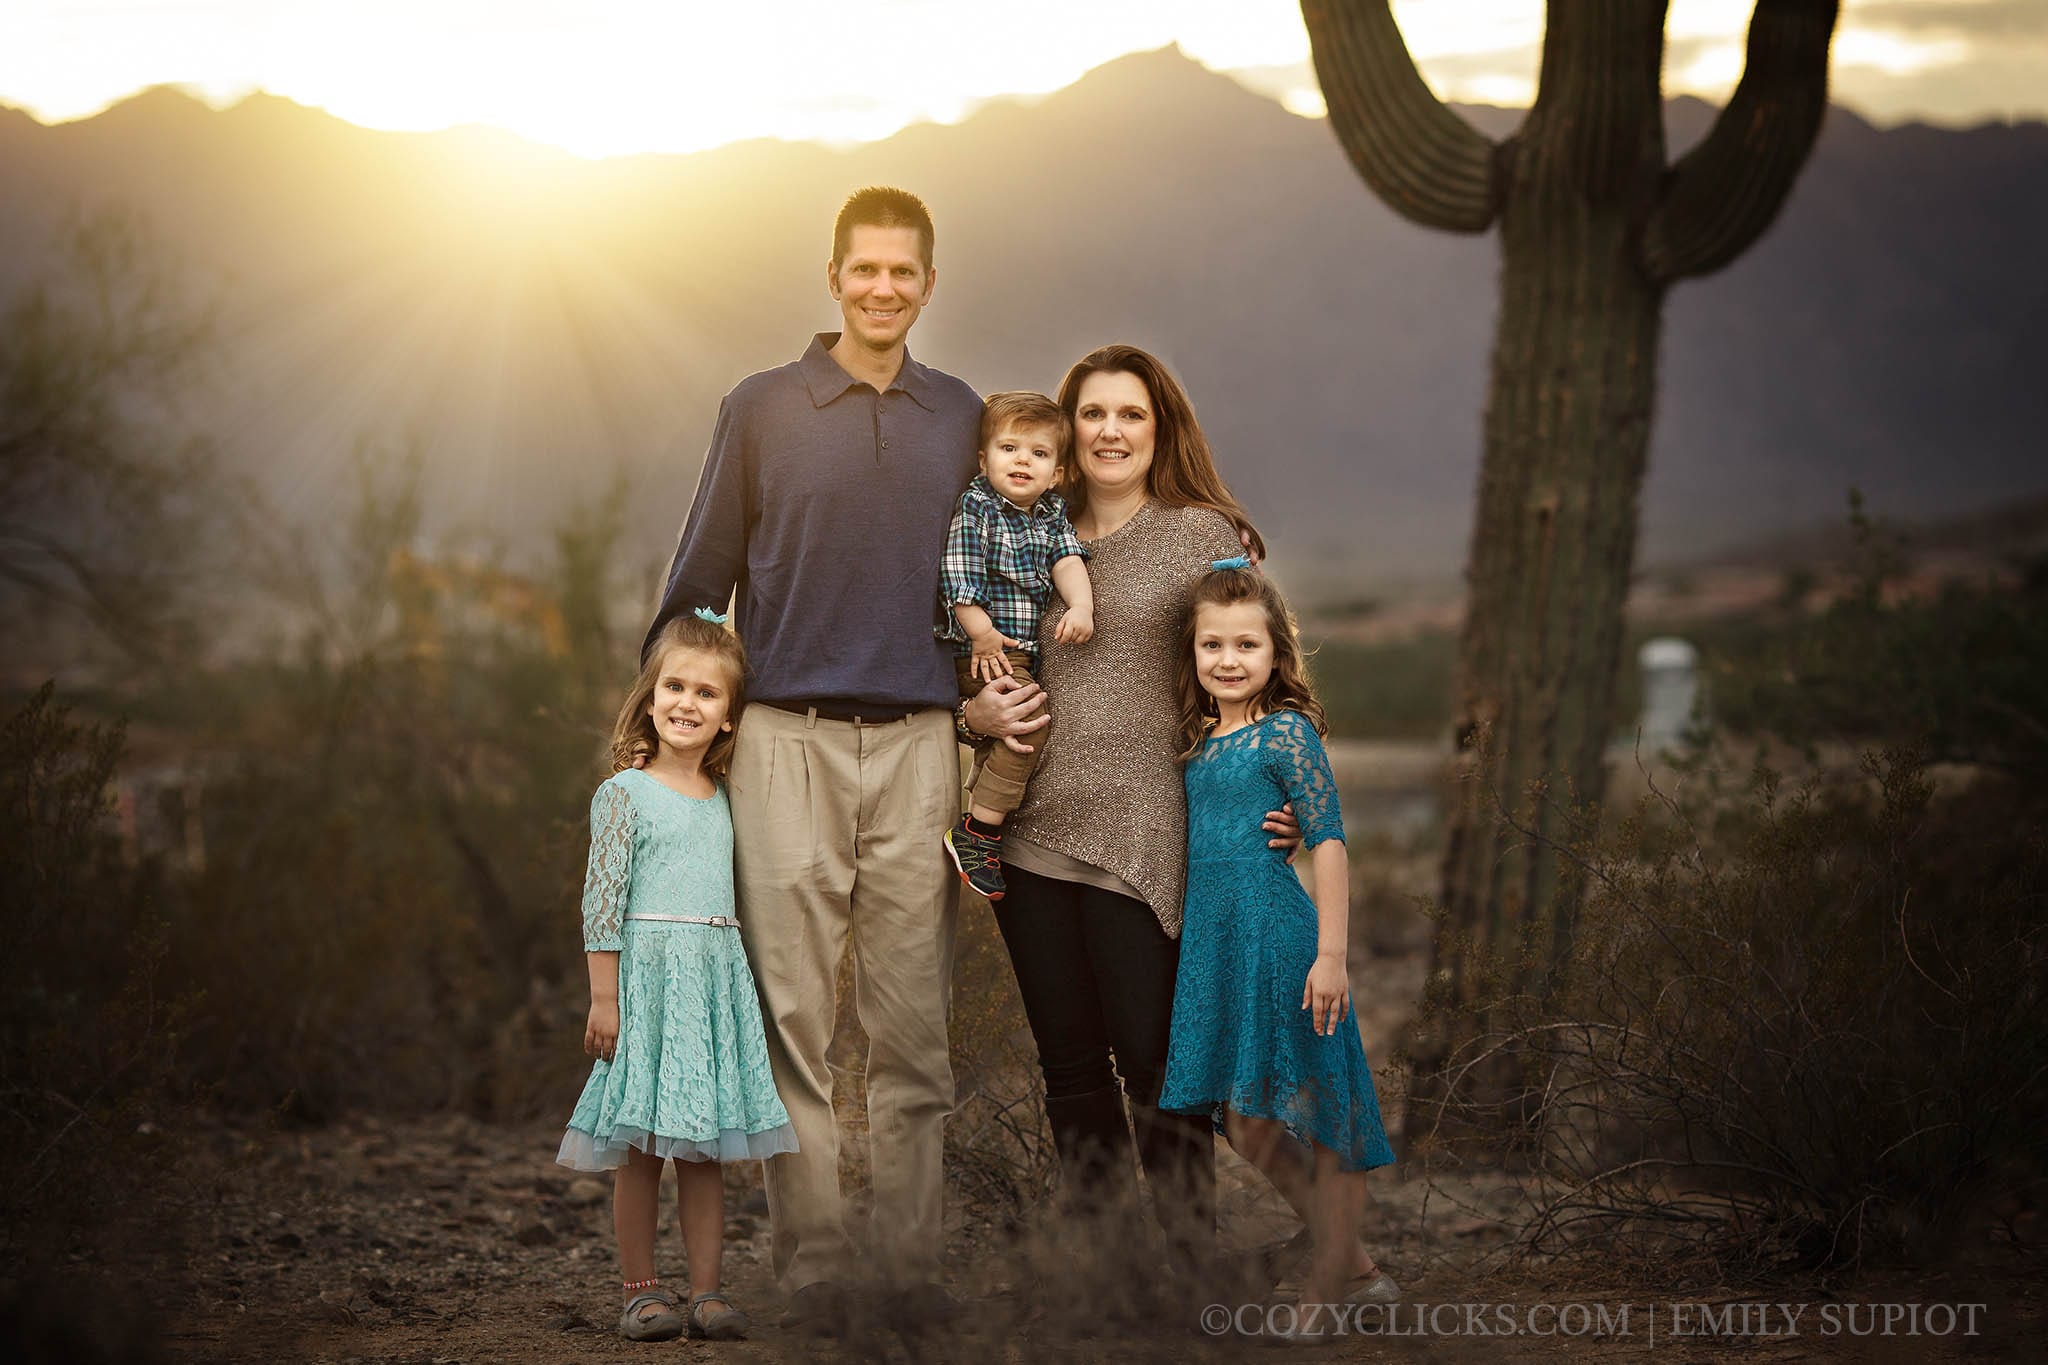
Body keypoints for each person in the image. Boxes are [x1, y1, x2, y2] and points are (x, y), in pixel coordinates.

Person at [642, 186, 982, 1325]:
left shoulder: (960, 416)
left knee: (911, 1021)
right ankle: (818, 1265)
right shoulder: (761, 408)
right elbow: (697, 581)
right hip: (783, 739)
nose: (882, 288)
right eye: (863, 269)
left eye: (903, 272)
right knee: (792, 1016)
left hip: (922, 745)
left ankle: (909, 1266)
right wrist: (662, 757)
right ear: (832, 277)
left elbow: (1017, 560)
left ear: (928, 285)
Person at [957, 345, 1289, 1276]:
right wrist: (970, 711)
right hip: (1025, 838)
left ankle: (1188, 1266)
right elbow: (957, 653)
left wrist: (1286, 793)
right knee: (1069, 1066)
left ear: (1160, 427)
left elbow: (1257, 668)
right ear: (1066, 434)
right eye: (1093, 414)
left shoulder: (1199, 534)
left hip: (1148, 835)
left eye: (1130, 414)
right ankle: (1106, 1277)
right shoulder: (1017, 523)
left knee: (1155, 1059)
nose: (1110, 431)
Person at [1158, 566, 1398, 1324]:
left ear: (1276, 651)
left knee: (1313, 1110)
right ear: (1193, 652)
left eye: (1246, 644)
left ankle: (1331, 1287)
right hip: (1214, 943)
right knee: (1244, 1119)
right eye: (1212, 644)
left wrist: (1332, 954)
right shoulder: (1194, 737)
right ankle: (1356, 1266)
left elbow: (1327, 840)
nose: (1228, 659)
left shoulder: (1286, 732)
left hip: (1277, 935)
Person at [557, 610, 796, 1343]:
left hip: (710, 986)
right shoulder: (624, 793)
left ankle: (706, 1292)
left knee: (704, 1152)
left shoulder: (729, 799)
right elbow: (602, 902)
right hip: (647, 987)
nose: (687, 702)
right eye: (674, 686)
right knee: (642, 1150)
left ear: (729, 717)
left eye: (707, 693)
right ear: (650, 695)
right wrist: (606, 997)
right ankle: (640, 1290)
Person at [939, 390, 1093, 902]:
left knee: (1006, 737)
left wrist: (1081, 606)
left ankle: (983, 821)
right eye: (1009, 448)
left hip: (1018, 651)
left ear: (1057, 472)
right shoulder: (977, 506)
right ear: (985, 461)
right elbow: (958, 575)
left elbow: (1068, 560)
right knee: (1030, 724)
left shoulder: (1050, 515)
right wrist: (981, 634)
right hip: (983, 649)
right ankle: (978, 831)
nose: (1023, 459)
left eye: (1039, 453)